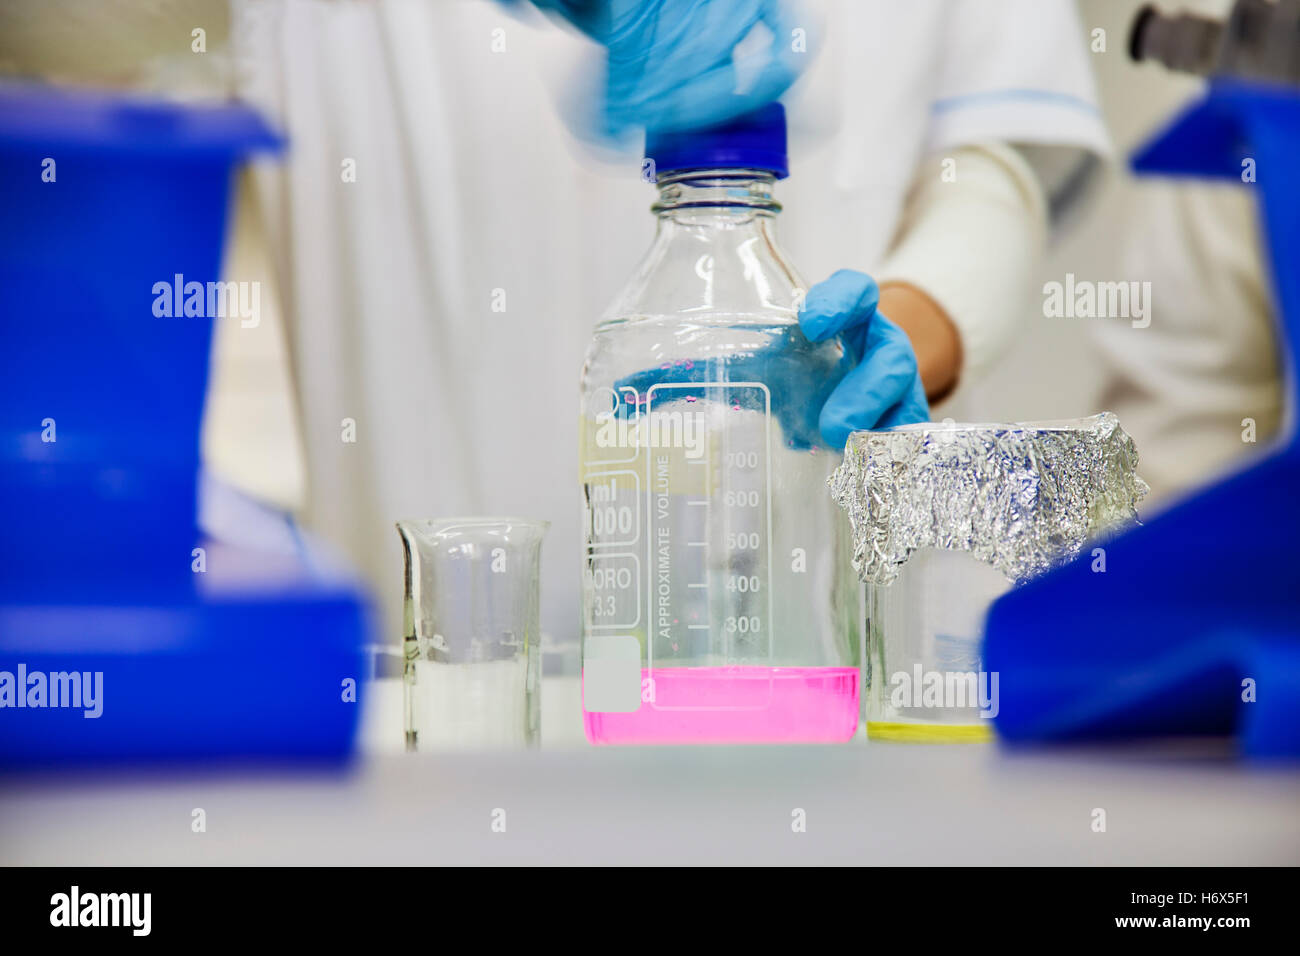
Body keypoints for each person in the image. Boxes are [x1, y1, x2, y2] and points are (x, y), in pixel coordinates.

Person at [223, 0, 1111, 648]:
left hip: (808, 701)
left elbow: (992, 168)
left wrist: (909, 328)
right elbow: (114, 55)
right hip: (422, 697)